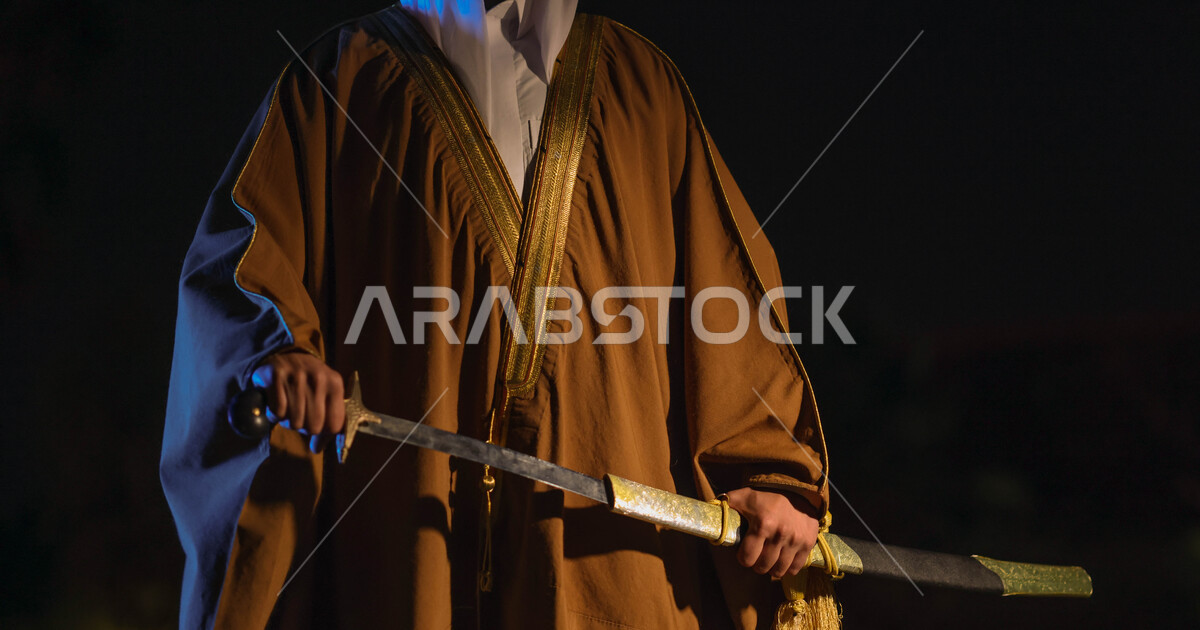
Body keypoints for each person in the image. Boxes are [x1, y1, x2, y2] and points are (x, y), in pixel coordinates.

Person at [162, 2, 832, 629]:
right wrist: (280, 358)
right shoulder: (336, 83)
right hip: (399, 547)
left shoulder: (645, 88)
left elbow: (728, 306)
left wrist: (769, 478)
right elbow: (245, 277)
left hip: (613, 560)